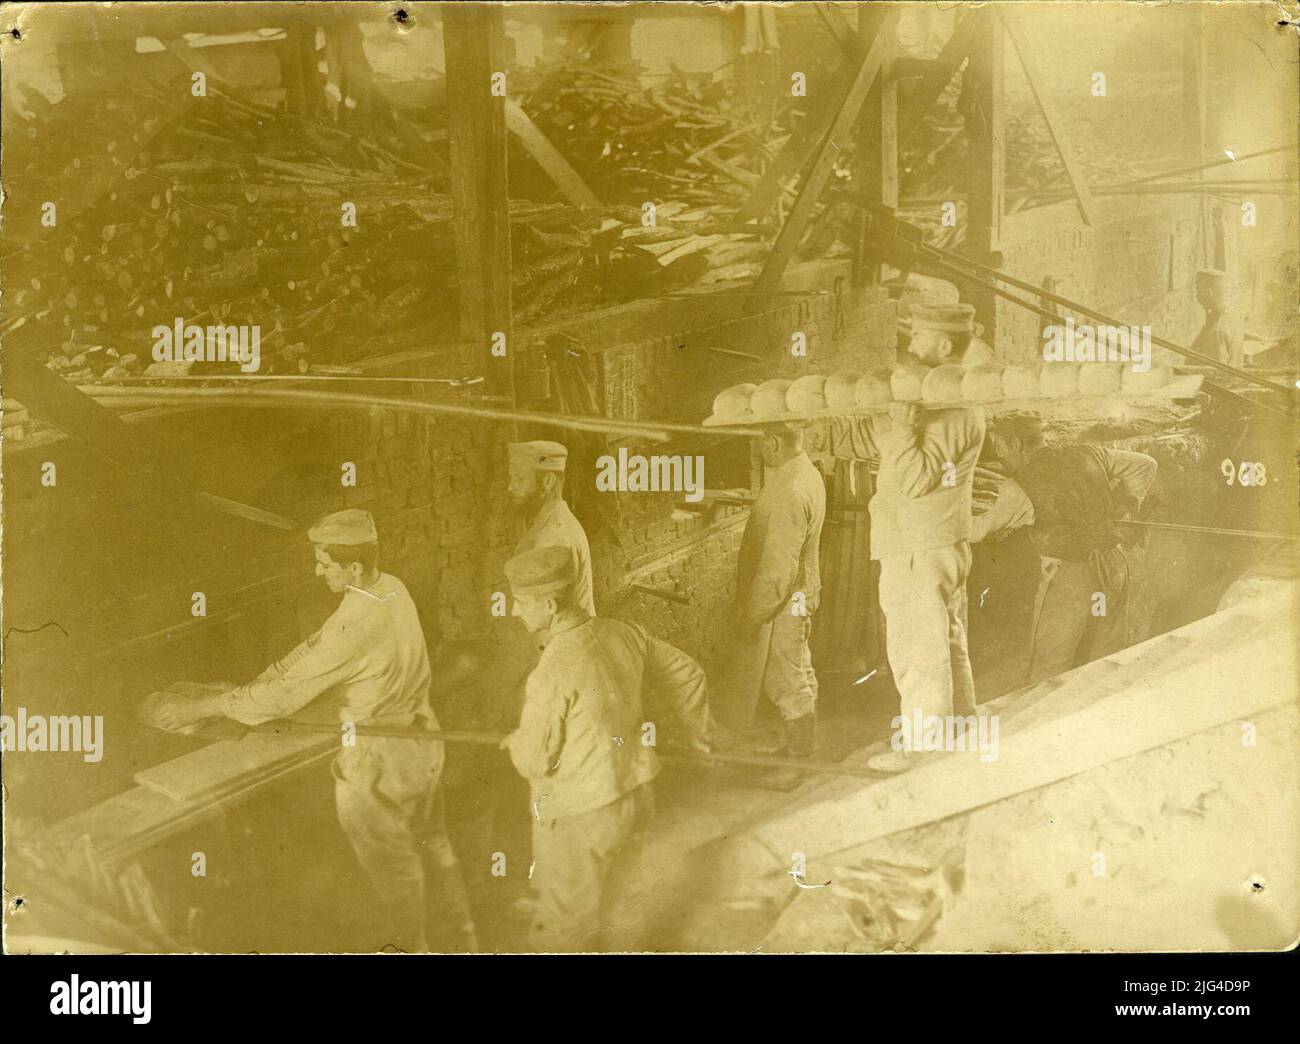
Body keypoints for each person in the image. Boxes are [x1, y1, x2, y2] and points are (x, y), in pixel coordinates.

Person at [154, 509, 469, 953]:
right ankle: (465, 942)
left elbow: (285, 697)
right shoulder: (387, 588)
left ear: (352, 567)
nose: (317, 571)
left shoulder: (358, 623)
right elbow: (312, 649)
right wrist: (255, 683)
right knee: (434, 847)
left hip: (380, 758)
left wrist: (204, 704)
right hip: (421, 740)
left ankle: (414, 949)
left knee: (394, 868)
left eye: (324, 563)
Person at [500, 545, 711, 952]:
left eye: (520, 602)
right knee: (618, 909)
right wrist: (698, 737)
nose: (513, 611)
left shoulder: (550, 671)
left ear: (547, 604)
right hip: (636, 794)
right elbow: (689, 674)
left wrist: (516, 743)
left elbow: (534, 760)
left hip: (584, 813)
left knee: (565, 923)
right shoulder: (625, 631)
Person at [866, 308, 988, 774]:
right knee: (945, 634)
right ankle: (959, 727)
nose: (910, 340)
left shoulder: (952, 407)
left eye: (919, 334)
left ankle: (923, 748)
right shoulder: (938, 401)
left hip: (921, 542)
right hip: (929, 539)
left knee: (917, 644)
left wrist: (900, 428)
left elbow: (915, 479)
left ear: (943, 347)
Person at [976, 415, 1159, 684]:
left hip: (1070, 576)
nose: (1001, 457)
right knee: (1105, 650)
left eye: (1000, 448)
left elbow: (977, 530)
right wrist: (1127, 506)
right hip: (1113, 564)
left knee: (1051, 660)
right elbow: (1145, 465)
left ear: (1015, 443)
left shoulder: (1021, 486)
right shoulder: (1090, 453)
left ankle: (1046, 721)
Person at [726, 421, 826, 757]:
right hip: (799, 592)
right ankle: (804, 743)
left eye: (758, 443)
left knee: (786, 674)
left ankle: (801, 753)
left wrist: (752, 617)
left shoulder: (790, 489)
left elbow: (778, 570)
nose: (757, 451)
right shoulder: (805, 472)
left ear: (772, 443)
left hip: (787, 597)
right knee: (798, 663)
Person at [507, 440, 595, 616]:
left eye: (519, 479)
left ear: (548, 481)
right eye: (511, 478)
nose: (510, 487)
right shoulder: (545, 521)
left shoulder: (555, 537)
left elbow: (547, 615)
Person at [1191, 268, 1241, 368]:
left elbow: (1215, 374)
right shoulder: (1233, 316)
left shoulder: (1216, 331)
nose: (1198, 297)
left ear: (1210, 293)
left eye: (1198, 291)